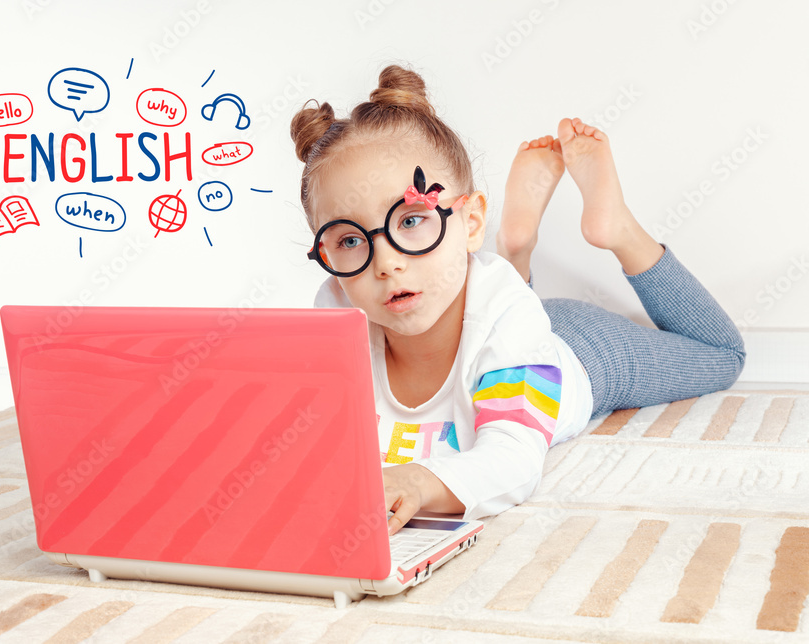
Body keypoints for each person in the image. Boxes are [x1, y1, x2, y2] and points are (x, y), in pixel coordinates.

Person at [290, 65, 745, 535]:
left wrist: (420, 481)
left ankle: (617, 229)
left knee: (723, 355)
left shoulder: (510, 324)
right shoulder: (338, 317)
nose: (386, 263)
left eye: (410, 220)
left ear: (470, 224)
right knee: (500, 312)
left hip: (579, 349)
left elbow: (513, 460)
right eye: (349, 240)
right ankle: (515, 254)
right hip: (494, 316)